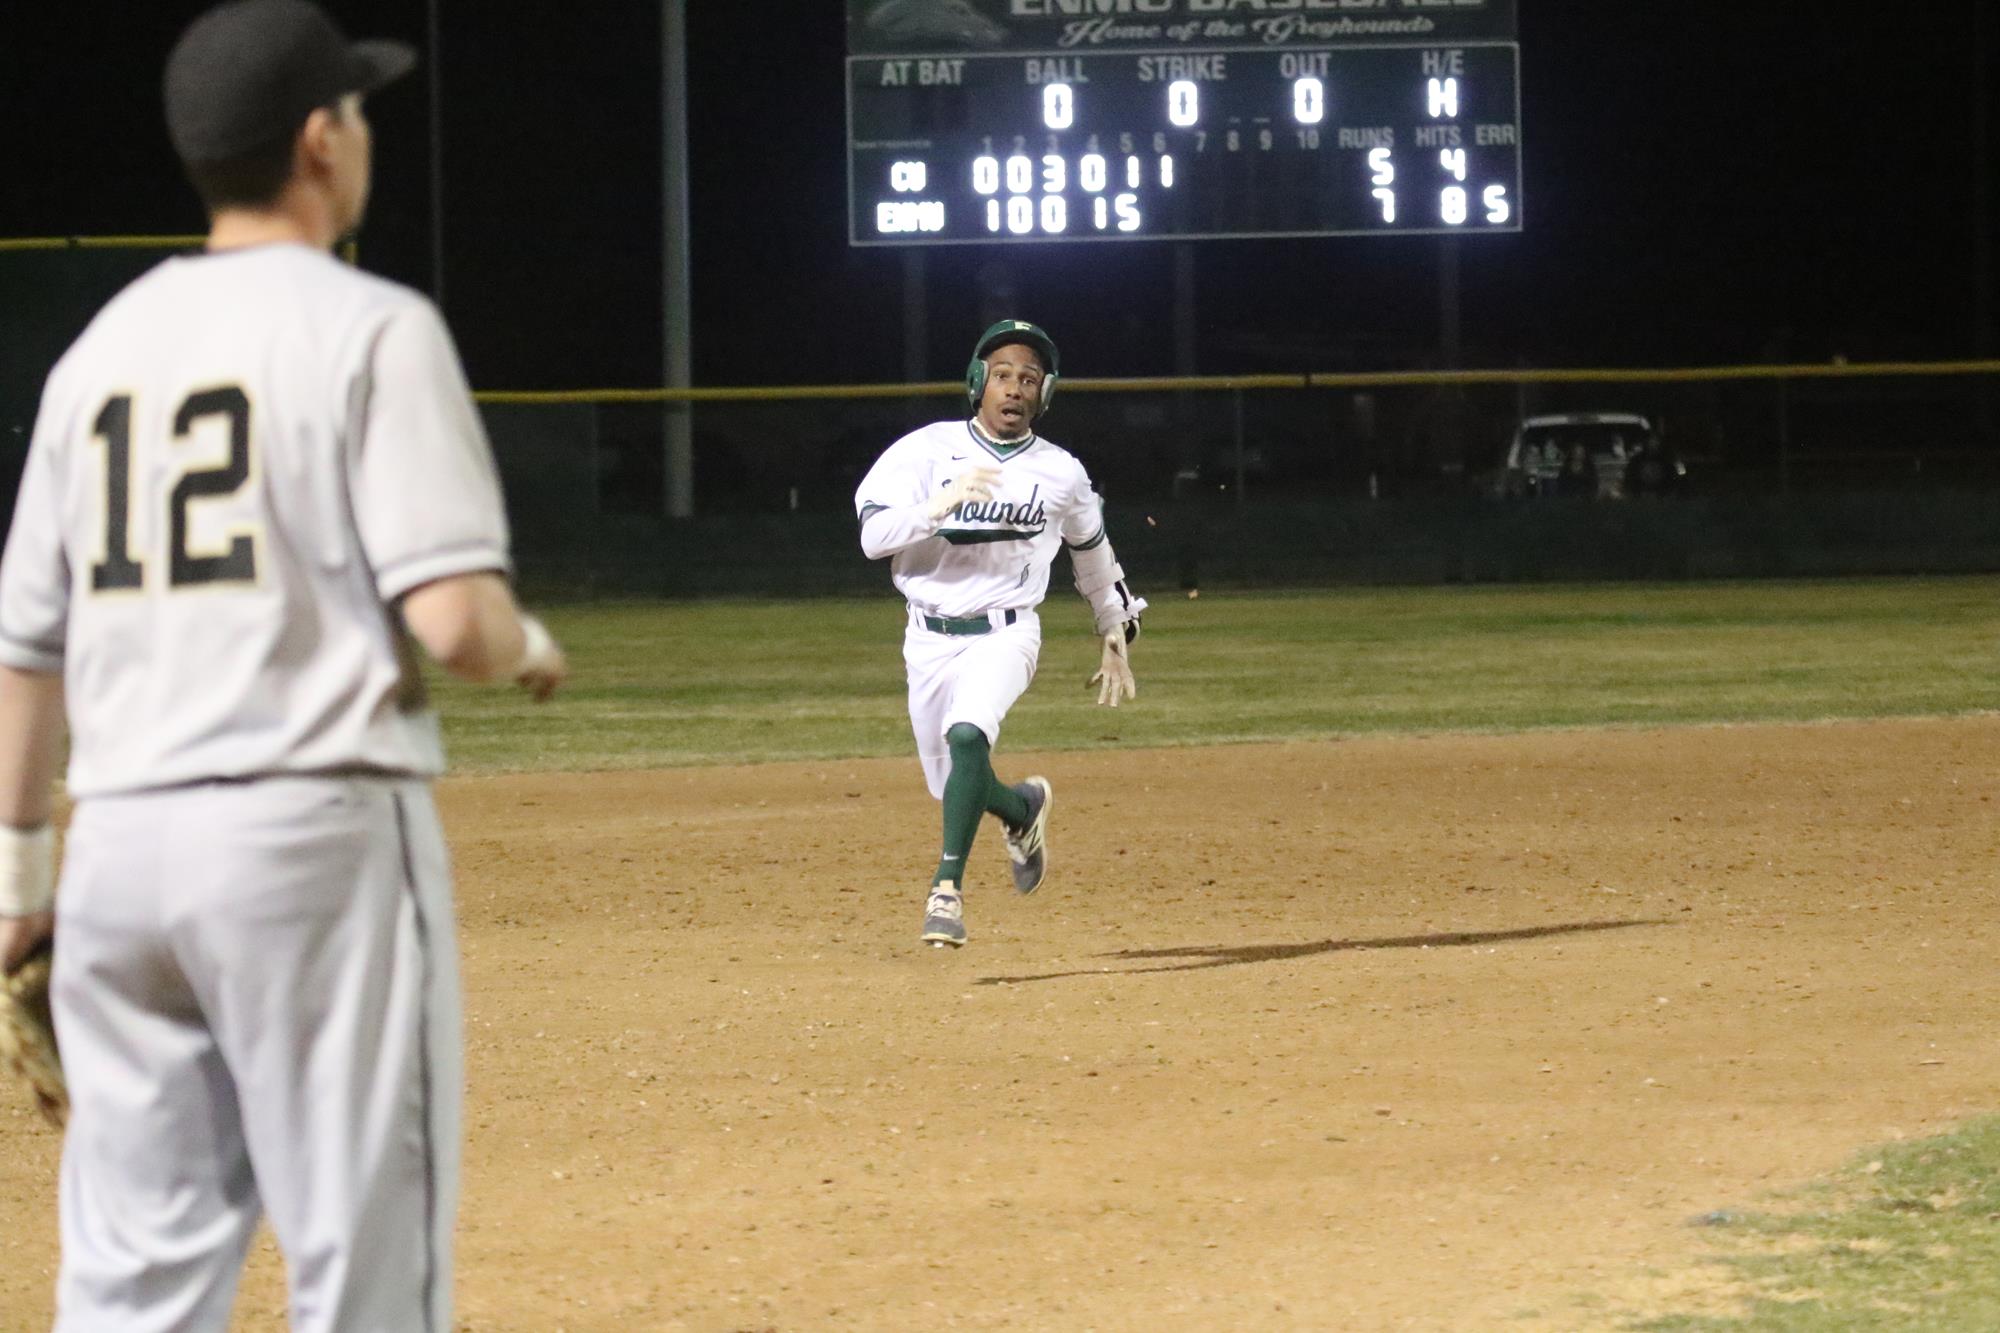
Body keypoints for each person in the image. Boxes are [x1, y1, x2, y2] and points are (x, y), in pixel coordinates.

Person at [0, 2, 566, 1328]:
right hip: (311, 839)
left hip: (121, 856)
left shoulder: (100, 355)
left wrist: (20, 886)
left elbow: (28, 646)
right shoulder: (372, 326)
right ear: (320, 140)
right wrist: (529, 643)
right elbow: (451, 621)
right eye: (356, 112)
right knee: (367, 1268)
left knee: (134, 1280)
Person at [855, 320, 1146, 948]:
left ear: (1046, 394)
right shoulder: (924, 452)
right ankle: (1021, 810)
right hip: (928, 639)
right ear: (978, 383)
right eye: (1005, 375)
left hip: (1008, 632)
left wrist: (1113, 624)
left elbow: (1092, 552)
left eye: (1031, 379)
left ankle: (946, 891)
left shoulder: (1060, 471)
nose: (1016, 388)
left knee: (968, 736)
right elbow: (873, 539)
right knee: (957, 779)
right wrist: (936, 507)